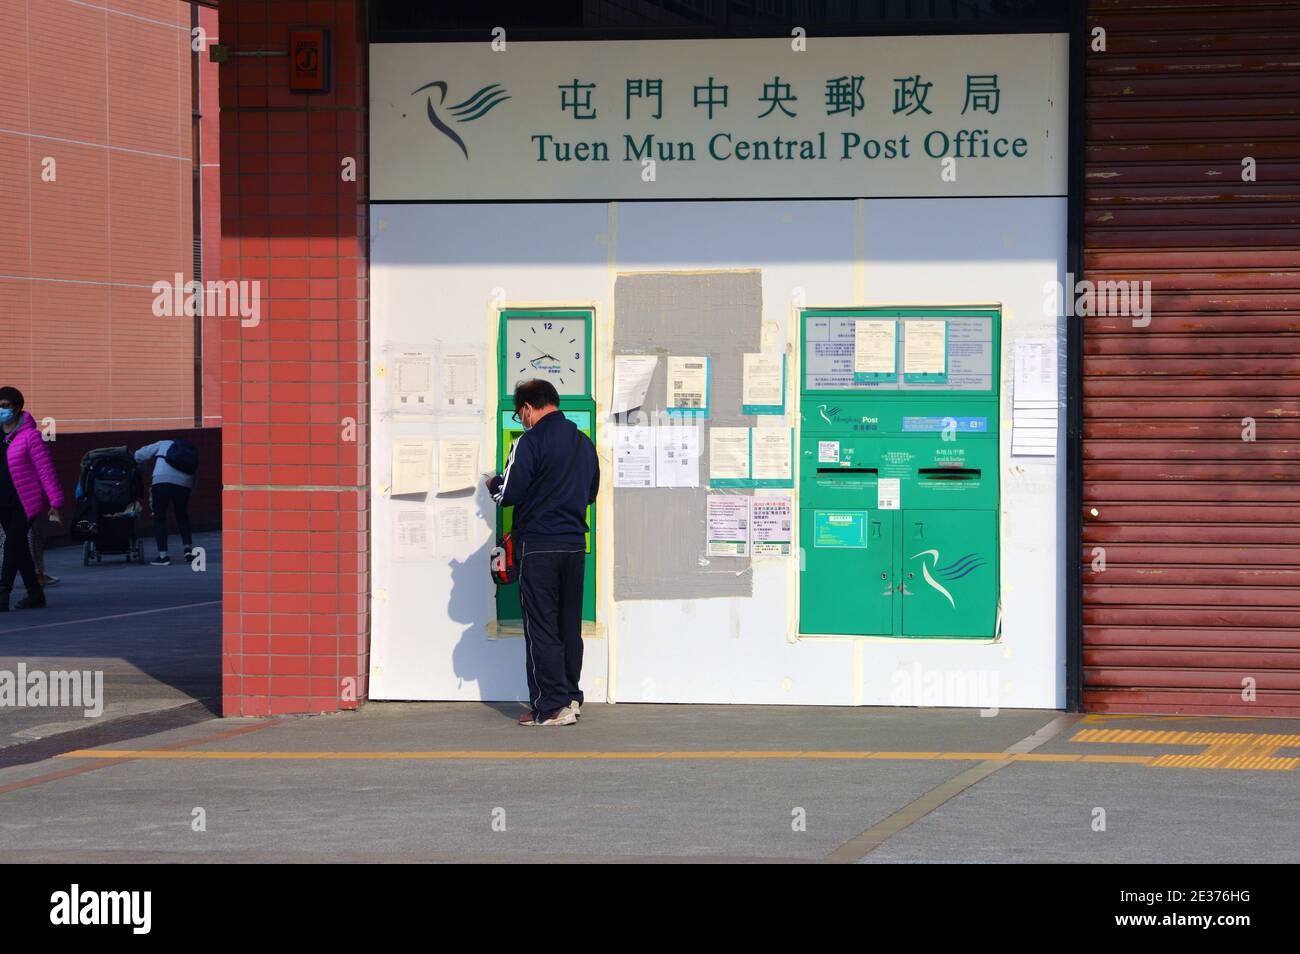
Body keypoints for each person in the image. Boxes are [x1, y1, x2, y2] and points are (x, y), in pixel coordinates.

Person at [487, 379, 599, 727]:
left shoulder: (529, 441)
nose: (522, 421)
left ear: (528, 408)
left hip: (539, 545)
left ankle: (550, 706)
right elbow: (591, 492)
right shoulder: (584, 443)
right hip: (574, 545)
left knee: (541, 628)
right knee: (568, 626)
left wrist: (492, 482)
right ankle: (570, 696)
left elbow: (507, 493)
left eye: (521, 415)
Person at [0, 387, 64, 611]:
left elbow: (45, 470)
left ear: (17, 408)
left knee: (11, 545)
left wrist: (55, 503)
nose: (1, 410)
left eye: (5, 406)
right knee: (19, 547)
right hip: (2, 501)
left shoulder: (30, 436)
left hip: (24, 501)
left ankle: (3, 594)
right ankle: (35, 594)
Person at [134, 438, 196, 566]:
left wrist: (141, 468)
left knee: (159, 518)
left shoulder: (163, 443)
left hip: (162, 481)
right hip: (185, 484)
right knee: (182, 515)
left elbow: (138, 455)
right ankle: (188, 551)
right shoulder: (189, 451)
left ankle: (163, 556)